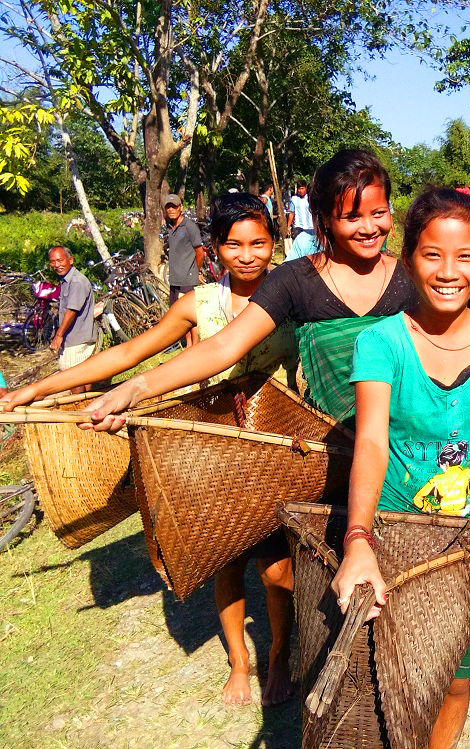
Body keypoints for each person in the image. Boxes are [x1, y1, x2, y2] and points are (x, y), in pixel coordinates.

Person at [3, 194, 300, 707]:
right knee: (221, 561)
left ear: (275, 242)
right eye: (234, 245)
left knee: (278, 570)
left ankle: (277, 656)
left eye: (259, 243)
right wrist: (38, 389)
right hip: (205, 450)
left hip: (272, 450)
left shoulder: (295, 297)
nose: (248, 255)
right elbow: (127, 352)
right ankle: (239, 661)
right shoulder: (199, 304)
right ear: (215, 249)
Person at [331, 187, 470, 749]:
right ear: (408, 261)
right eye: (432, 255)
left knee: (453, 677)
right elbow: (372, 443)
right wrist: (358, 539)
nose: (448, 271)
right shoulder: (382, 343)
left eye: (464, 257)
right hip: (395, 533)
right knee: (388, 667)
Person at [80, 148, 418, 436]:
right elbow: (224, 345)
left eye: (379, 212)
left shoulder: (410, 277)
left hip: (413, 444)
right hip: (331, 448)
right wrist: (135, 388)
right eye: (352, 216)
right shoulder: (296, 279)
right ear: (326, 219)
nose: (370, 227)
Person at [48, 246, 97, 391]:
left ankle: (78, 408)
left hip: (76, 338)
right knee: (84, 376)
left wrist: (59, 335)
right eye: (53, 262)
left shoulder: (76, 282)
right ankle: (86, 406)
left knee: (72, 378)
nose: (57, 265)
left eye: (60, 260)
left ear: (71, 260)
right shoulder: (67, 280)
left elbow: (71, 311)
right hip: (78, 336)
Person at [163, 193, 206, 348]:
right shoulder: (169, 226)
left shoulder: (189, 227)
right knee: (179, 313)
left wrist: (195, 271)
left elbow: (200, 251)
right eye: (168, 207)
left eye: (174, 206)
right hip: (175, 278)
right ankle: (188, 343)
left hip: (187, 278)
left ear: (181, 207)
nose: (171, 209)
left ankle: (195, 344)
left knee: (190, 313)